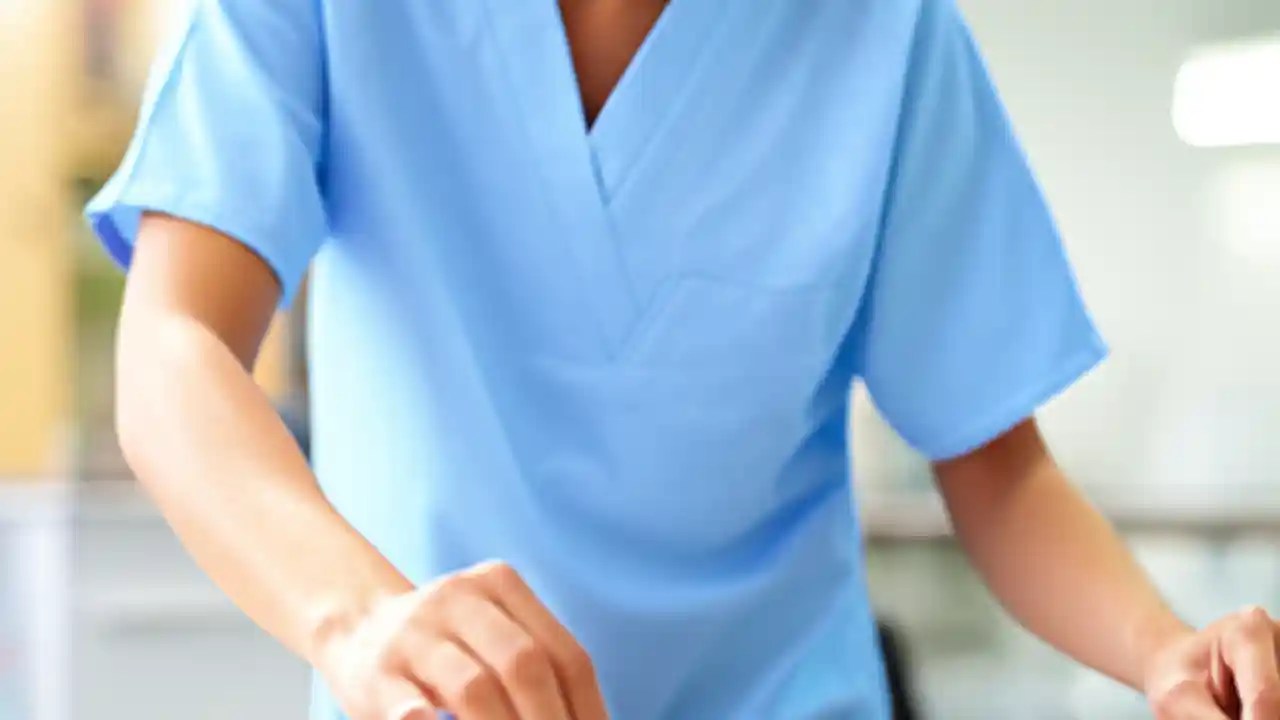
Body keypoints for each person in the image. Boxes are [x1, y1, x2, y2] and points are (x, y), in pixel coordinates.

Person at [88, 1, 1280, 718]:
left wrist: (1158, 649)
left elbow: (997, 469)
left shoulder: (876, 35)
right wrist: (357, 623)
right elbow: (176, 339)